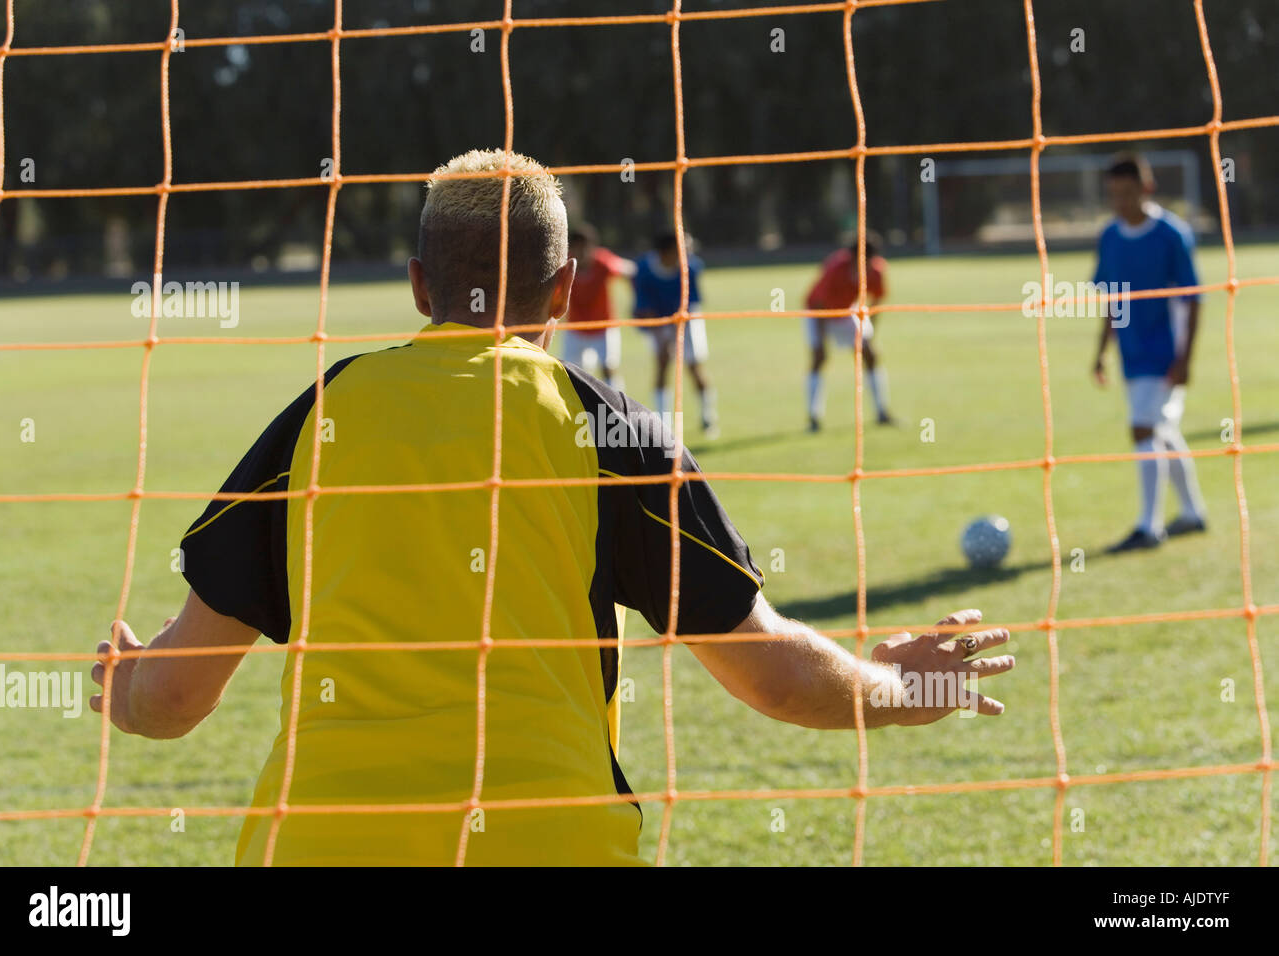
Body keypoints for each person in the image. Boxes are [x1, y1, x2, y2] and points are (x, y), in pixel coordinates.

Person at [89, 149, 1014, 866]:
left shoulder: (317, 419)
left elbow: (170, 699)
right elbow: (772, 677)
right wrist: (902, 684)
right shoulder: (612, 431)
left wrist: (124, 689)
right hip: (548, 843)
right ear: (566, 292)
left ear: (419, 286)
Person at [1091, 151, 1208, 552]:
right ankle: (1193, 512)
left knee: (1142, 429)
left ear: (1147, 189)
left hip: (1165, 353)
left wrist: (1185, 358)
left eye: (1128, 193)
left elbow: (1193, 300)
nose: (1121, 202)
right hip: (1131, 352)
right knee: (1162, 431)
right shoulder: (1109, 236)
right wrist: (1101, 350)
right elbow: (1112, 298)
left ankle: (1148, 527)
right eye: (1113, 195)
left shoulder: (1171, 234)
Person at [632, 231, 719, 438]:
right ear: (667, 250)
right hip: (658, 321)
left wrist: (678, 331)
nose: (688, 251)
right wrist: (660, 335)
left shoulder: (691, 267)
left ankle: (708, 416)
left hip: (686, 319)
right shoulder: (644, 269)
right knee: (662, 364)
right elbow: (643, 305)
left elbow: (691, 301)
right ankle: (663, 424)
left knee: (694, 366)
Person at [805, 231, 892, 431]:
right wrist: (820, 342)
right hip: (819, 312)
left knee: (870, 354)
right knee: (819, 358)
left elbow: (877, 301)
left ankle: (881, 412)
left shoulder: (877, 271)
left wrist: (869, 335)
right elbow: (818, 304)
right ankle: (813, 418)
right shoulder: (835, 268)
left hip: (846, 311)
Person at [562, 223, 635, 389]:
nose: (582, 253)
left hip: (603, 326)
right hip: (576, 328)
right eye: (577, 248)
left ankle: (616, 410)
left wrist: (635, 301)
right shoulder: (565, 265)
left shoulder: (603, 263)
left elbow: (629, 269)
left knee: (608, 369)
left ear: (593, 247)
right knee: (570, 372)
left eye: (585, 248)